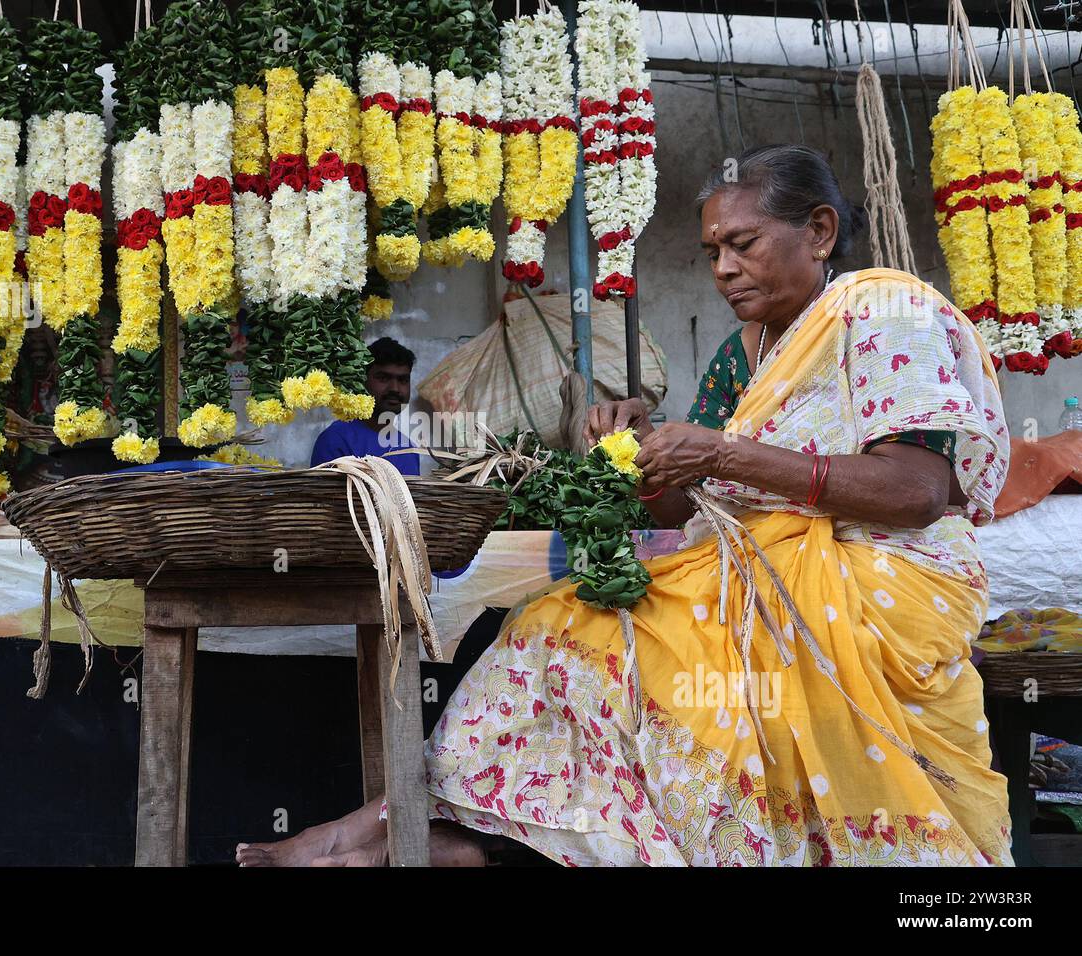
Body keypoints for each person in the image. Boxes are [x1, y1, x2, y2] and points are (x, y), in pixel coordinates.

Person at [238, 144, 1013, 867]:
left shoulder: (882, 313)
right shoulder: (744, 351)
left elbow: (914, 493)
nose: (723, 269)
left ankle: (406, 836)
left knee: (616, 653)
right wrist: (640, 454)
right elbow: (685, 507)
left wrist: (717, 451)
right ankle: (411, 825)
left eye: (743, 244)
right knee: (552, 625)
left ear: (819, 231)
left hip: (881, 584)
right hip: (754, 577)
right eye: (712, 252)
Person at [310, 337, 422, 477]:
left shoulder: (408, 448)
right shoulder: (336, 440)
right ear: (363, 381)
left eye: (403, 380)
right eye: (383, 378)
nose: (395, 388)